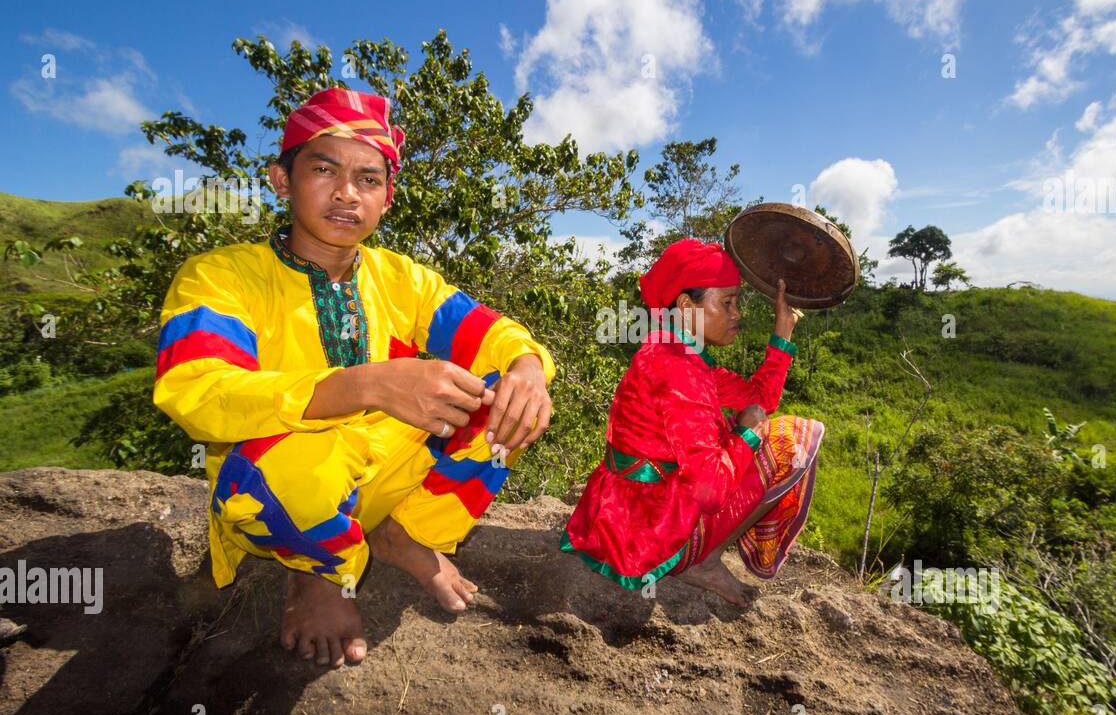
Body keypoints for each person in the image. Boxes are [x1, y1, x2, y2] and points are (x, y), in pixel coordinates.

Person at [153, 87, 555, 667]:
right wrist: (366, 384)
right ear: (281, 180)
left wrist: (526, 369)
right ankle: (316, 573)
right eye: (324, 170)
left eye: (368, 179)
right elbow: (197, 390)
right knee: (296, 474)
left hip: (381, 470)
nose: (347, 193)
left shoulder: (403, 278)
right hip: (281, 483)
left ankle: (401, 531)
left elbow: (494, 334)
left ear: (387, 199)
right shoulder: (221, 277)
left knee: (510, 396)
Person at [562, 237, 824, 606]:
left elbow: (760, 399)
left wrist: (782, 333)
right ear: (687, 306)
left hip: (624, 511)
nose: (737, 314)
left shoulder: (677, 349)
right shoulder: (680, 369)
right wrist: (746, 433)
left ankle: (701, 554)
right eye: (727, 303)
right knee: (793, 439)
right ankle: (702, 560)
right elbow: (710, 490)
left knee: (764, 430)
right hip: (645, 529)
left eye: (737, 303)